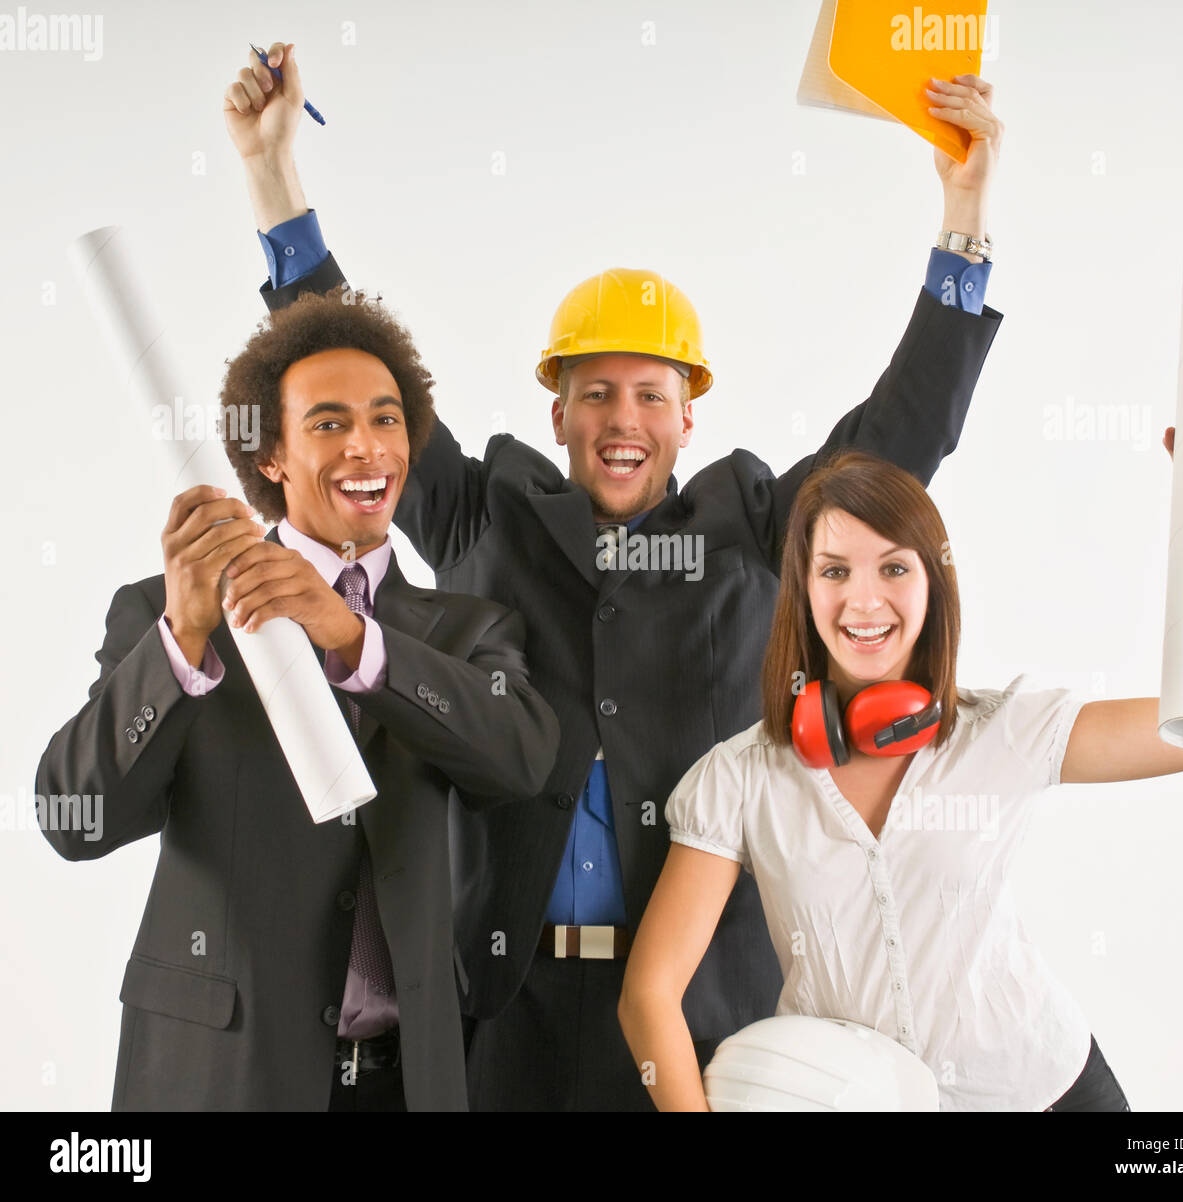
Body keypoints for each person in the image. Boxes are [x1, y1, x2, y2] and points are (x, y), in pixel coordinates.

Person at [221, 42, 1004, 1110]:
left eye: (649, 393)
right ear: (558, 414)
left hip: (692, 1008)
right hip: (504, 1001)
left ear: (689, 417)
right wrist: (275, 181)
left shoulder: (756, 523)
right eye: (595, 392)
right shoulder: (480, 505)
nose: (622, 419)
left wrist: (964, 216)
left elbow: (900, 433)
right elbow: (355, 385)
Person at [619, 410, 1183, 1111]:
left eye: (894, 567)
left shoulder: (1006, 732)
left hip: (1050, 1092)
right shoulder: (739, 780)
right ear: (802, 592)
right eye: (835, 570)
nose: (862, 599)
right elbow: (650, 995)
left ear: (935, 584)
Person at [35, 289, 559, 1111]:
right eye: (328, 424)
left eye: (386, 421)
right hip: (221, 1077)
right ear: (270, 457)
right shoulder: (169, 612)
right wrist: (182, 641)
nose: (367, 447)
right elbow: (76, 821)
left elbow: (522, 759)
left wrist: (356, 641)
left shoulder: (464, 630)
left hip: (406, 1082)